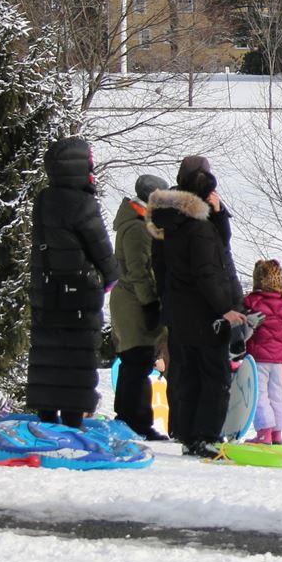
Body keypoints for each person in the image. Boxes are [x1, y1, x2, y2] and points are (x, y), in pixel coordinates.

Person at [149, 156, 247, 458]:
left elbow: (161, 267)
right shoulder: (200, 229)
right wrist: (224, 309)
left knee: (186, 375)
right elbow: (210, 270)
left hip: (178, 311)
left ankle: (189, 434)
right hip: (204, 313)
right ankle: (205, 436)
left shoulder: (168, 221)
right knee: (214, 378)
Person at [25, 136, 120, 430]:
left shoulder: (44, 199)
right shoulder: (82, 202)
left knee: (48, 354)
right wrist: (111, 275)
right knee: (76, 356)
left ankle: (46, 415)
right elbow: (99, 246)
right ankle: (72, 418)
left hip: (47, 289)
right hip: (78, 293)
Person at [108, 173, 168, 439]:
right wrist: (150, 304)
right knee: (137, 362)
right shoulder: (136, 227)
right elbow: (139, 271)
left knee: (136, 362)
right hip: (133, 302)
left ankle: (128, 418)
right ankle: (136, 421)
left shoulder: (140, 224)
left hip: (133, 299)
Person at [241, 261, 282, 446]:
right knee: (277, 395)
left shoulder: (252, 301)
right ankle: (277, 434)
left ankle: (264, 432)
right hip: (280, 360)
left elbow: (245, 329)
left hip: (258, 357)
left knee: (259, 395)